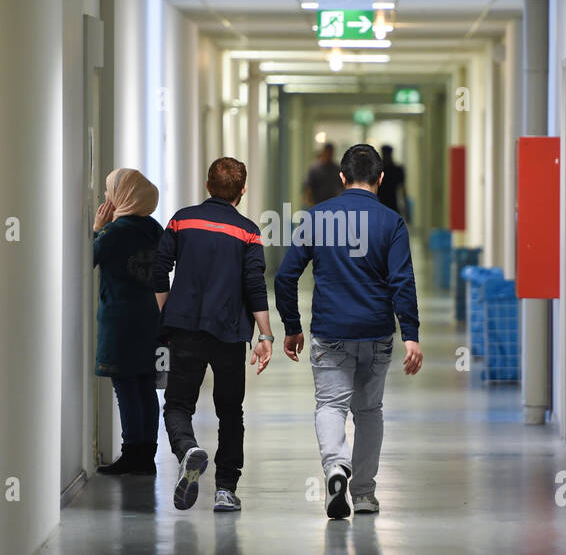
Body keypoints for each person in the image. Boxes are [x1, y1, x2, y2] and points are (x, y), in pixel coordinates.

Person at [274, 143, 422, 520]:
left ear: (341, 178)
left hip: (330, 331)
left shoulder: (316, 217)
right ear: (381, 178)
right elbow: (402, 281)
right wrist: (411, 334)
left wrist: (292, 327)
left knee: (330, 406)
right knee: (369, 411)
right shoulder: (391, 222)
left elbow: (285, 276)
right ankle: (365, 495)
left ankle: (335, 468)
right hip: (376, 332)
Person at [153, 157, 275, 512]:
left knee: (177, 403)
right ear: (242, 191)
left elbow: (160, 268)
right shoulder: (248, 231)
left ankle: (188, 448)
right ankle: (225, 489)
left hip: (186, 328)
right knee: (230, 411)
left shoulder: (182, 219)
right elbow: (254, 285)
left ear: (208, 185)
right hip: (230, 332)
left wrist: (168, 310)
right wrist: (265, 335)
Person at [92, 169, 164, 476]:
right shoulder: (155, 229)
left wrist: (97, 228)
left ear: (123, 196)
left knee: (125, 387)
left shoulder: (116, 231)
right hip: (149, 315)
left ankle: (131, 451)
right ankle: (147, 453)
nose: (107, 198)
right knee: (146, 385)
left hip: (120, 317)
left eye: (110, 192)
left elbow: (91, 256)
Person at [302, 143, 343, 207]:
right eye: (328, 153)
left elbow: (342, 186)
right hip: (317, 203)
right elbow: (308, 187)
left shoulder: (337, 168)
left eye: (331, 153)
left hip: (333, 204)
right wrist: (310, 203)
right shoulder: (315, 168)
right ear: (324, 152)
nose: (329, 155)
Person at [377, 144, 408, 220]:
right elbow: (403, 189)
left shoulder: (377, 170)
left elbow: (402, 188)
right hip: (388, 205)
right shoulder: (396, 170)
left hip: (386, 205)